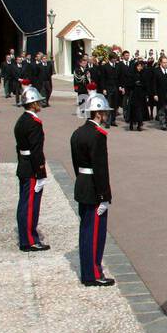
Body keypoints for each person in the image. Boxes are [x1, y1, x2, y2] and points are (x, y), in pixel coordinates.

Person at [71, 92, 115, 286]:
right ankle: (94, 273)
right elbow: (100, 167)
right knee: (95, 233)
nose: (105, 115)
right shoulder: (97, 135)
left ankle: (88, 270)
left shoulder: (78, 132)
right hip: (94, 188)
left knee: (86, 230)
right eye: (104, 112)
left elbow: (75, 162)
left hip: (82, 183)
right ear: (98, 113)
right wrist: (104, 195)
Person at [15, 84, 50, 252]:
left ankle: (25, 236)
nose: (40, 104)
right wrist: (41, 171)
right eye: (38, 102)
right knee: (30, 206)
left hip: (24, 164)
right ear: (33, 103)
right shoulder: (34, 123)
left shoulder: (22, 120)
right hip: (31, 168)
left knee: (24, 203)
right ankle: (29, 240)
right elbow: (36, 151)